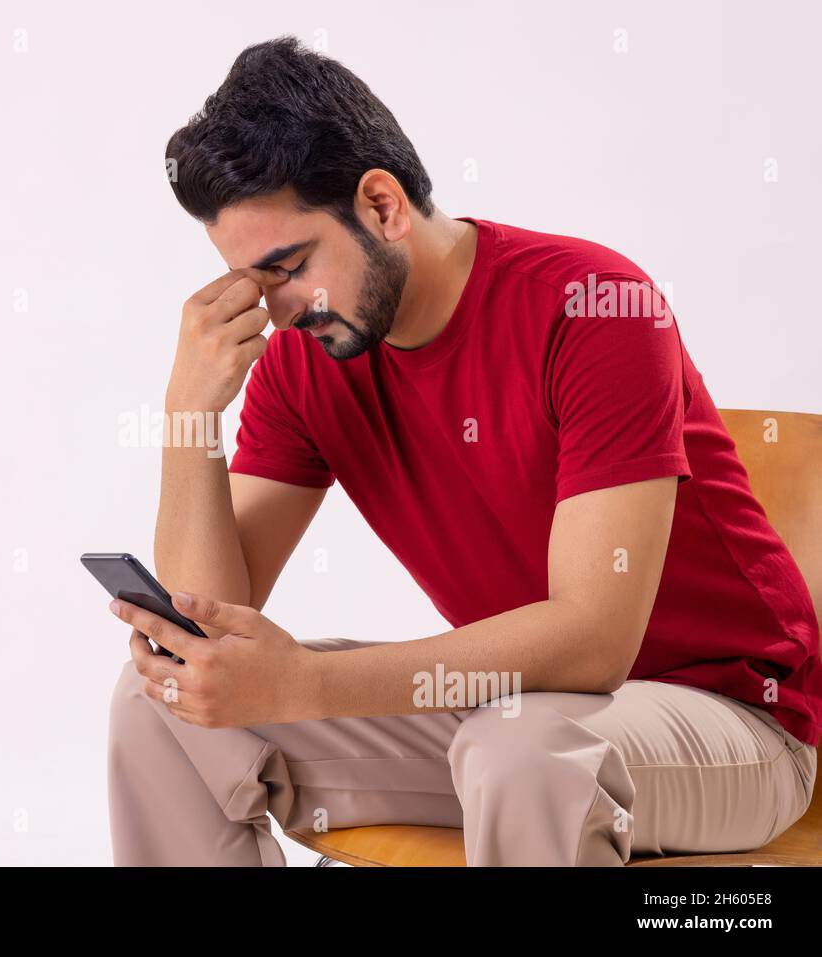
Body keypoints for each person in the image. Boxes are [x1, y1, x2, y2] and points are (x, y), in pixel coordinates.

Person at [106, 36, 821, 866]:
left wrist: (309, 683)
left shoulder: (596, 307)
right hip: (514, 715)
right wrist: (189, 415)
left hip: (734, 724)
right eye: (255, 286)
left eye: (291, 267)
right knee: (165, 700)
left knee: (526, 751)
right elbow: (206, 626)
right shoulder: (312, 357)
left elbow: (594, 642)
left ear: (382, 206)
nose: (281, 311)